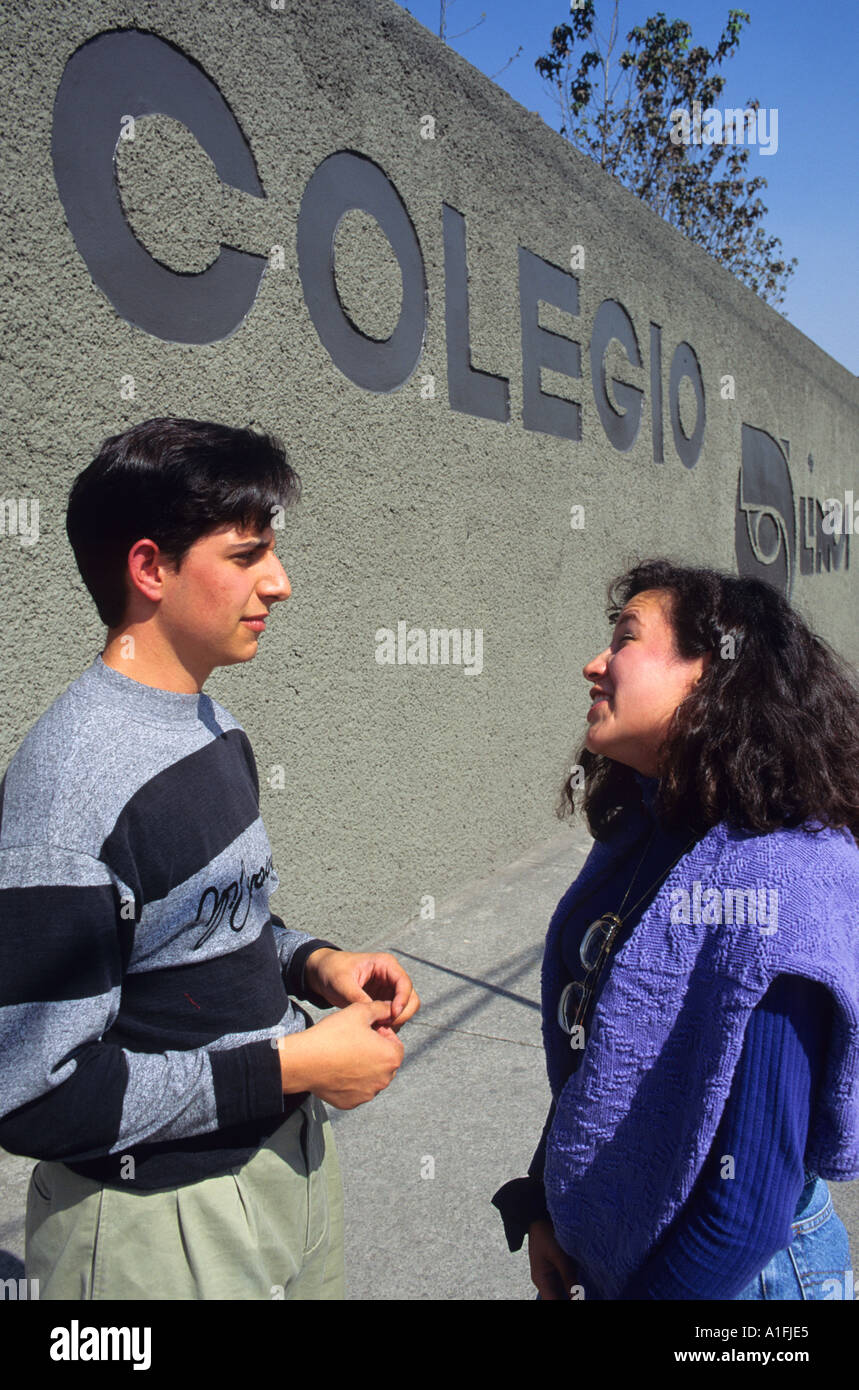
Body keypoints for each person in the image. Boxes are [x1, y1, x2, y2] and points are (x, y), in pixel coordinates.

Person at [0, 417, 419, 1300]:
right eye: (247, 554)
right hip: (154, 1230)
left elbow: (215, 919)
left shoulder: (212, 726)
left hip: (286, 1169)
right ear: (150, 569)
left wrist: (316, 964)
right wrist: (295, 1065)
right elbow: (37, 1097)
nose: (281, 582)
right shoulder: (69, 787)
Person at [493, 558, 859, 1300]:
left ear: (714, 676)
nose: (592, 664)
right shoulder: (651, 831)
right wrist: (543, 1205)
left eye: (624, 639)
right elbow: (607, 1057)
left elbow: (742, 1216)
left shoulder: (777, 883)